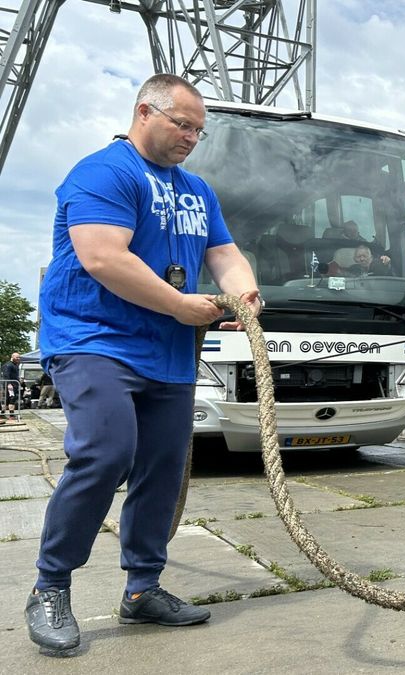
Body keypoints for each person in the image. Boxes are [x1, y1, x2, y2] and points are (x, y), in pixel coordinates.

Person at [25, 74, 262, 653]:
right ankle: (50, 585)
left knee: (162, 469)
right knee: (107, 452)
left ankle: (142, 589)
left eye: (199, 131)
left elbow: (224, 253)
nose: (191, 138)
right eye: (183, 125)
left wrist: (245, 293)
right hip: (93, 340)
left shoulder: (198, 189)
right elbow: (103, 257)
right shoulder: (104, 172)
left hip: (167, 355)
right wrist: (182, 305)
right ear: (144, 112)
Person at [1, 353, 19, 420]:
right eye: (17, 357)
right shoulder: (8, 365)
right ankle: (11, 415)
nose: (18, 359)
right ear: (12, 357)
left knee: (8, 400)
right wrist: (9, 384)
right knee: (11, 399)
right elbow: (6, 375)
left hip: (13, 385)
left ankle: (2, 414)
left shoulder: (14, 365)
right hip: (10, 385)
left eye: (19, 357)